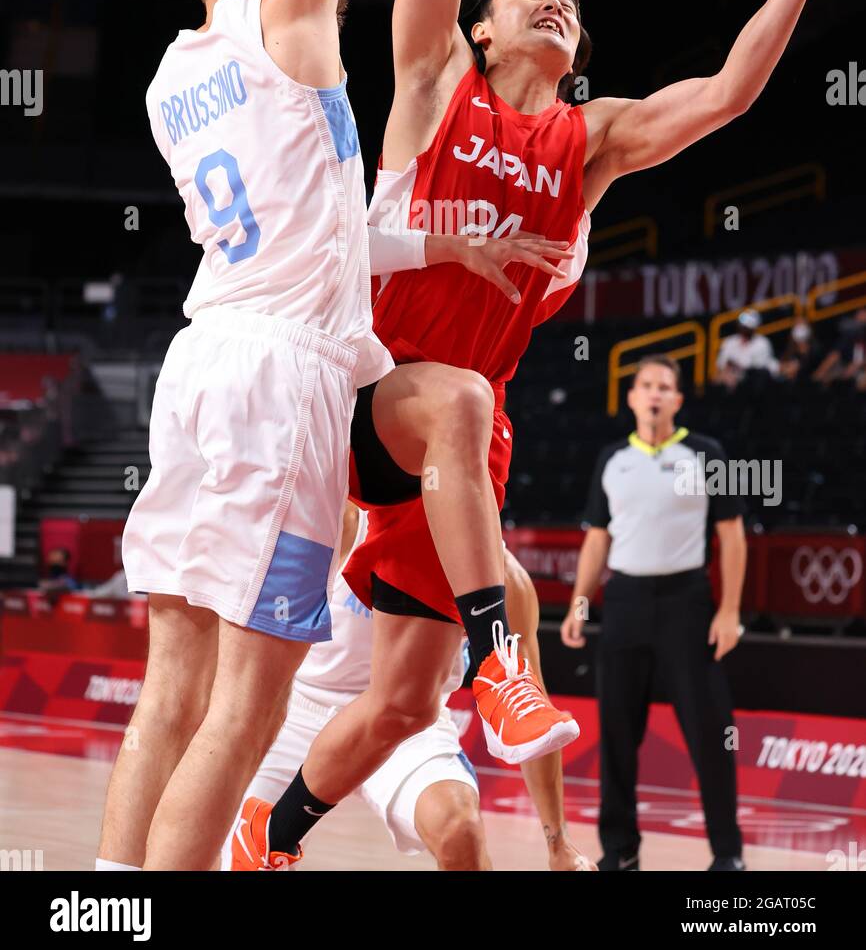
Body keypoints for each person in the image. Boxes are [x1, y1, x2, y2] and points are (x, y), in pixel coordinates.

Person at [240, 0, 866, 864]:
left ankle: (273, 832)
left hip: (457, 445)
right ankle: (505, 658)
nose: (552, 6)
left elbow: (728, 95)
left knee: (398, 702)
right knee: (461, 402)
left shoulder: (591, 144)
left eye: (567, 6)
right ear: (480, 27)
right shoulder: (433, 87)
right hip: (360, 382)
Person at [97, 0, 543, 874]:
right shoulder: (289, 21)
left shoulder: (175, 77)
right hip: (285, 381)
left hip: (200, 369)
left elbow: (299, 231)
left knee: (170, 691)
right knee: (242, 711)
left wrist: (429, 243)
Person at [228, 503, 595, 871]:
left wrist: (558, 841)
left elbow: (532, 715)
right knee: (241, 855)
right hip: (304, 712)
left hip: (411, 724)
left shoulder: (500, 577)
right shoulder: (342, 521)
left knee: (459, 830)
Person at [561, 355, 748, 872]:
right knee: (617, 734)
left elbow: (732, 537)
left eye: (665, 386)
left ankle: (727, 855)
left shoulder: (708, 454)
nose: (655, 394)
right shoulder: (612, 458)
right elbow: (596, 538)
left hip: (687, 604)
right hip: (624, 604)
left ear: (678, 400)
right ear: (632, 397)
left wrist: (729, 609)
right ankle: (620, 853)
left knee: (711, 731)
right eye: (646, 385)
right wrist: (580, 602)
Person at [714, 308, 780, 390]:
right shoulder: (730, 342)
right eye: (742, 326)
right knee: (718, 379)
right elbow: (721, 364)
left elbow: (755, 369)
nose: (743, 329)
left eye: (747, 328)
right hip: (732, 378)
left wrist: (735, 367)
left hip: (754, 382)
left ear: (753, 328)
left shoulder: (762, 343)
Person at [814, 307, 866, 390]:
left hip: (859, 368)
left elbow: (858, 362)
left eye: (863, 314)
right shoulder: (851, 332)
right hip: (845, 363)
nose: (861, 316)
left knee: (862, 381)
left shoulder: (861, 332)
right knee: (827, 376)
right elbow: (835, 354)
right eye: (860, 313)